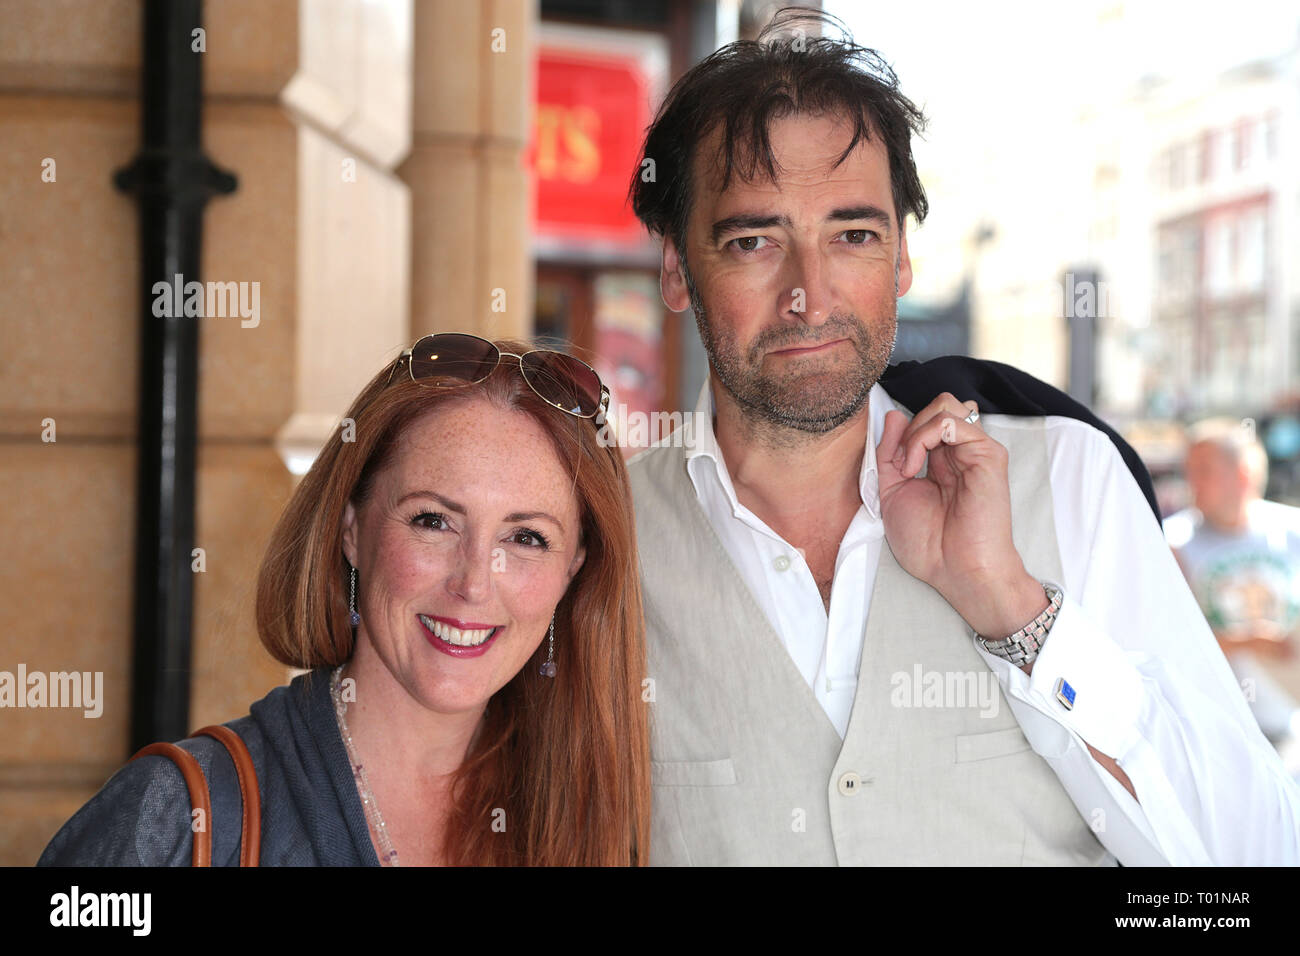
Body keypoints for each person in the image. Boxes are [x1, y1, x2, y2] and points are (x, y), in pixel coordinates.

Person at [624, 8, 1300, 865]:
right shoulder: (602, 535)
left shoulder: (1068, 480)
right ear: (677, 269)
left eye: (854, 235)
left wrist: (1014, 606)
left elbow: (1251, 853)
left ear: (902, 258)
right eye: (754, 240)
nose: (810, 296)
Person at [39, 334, 650, 866]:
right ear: (352, 527)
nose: (474, 583)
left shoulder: (585, 826)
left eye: (526, 538)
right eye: (433, 521)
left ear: (574, 570)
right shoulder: (175, 817)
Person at [1164, 417, 1300, 770]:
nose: (1191, 482)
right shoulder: (1171, 541)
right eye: (1189, 470)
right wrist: (1248, 642)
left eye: (1204, 470)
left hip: (1289, 730)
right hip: (1211, 738)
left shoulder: (1292, 532)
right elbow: (1168, 642)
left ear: (1242, 475)